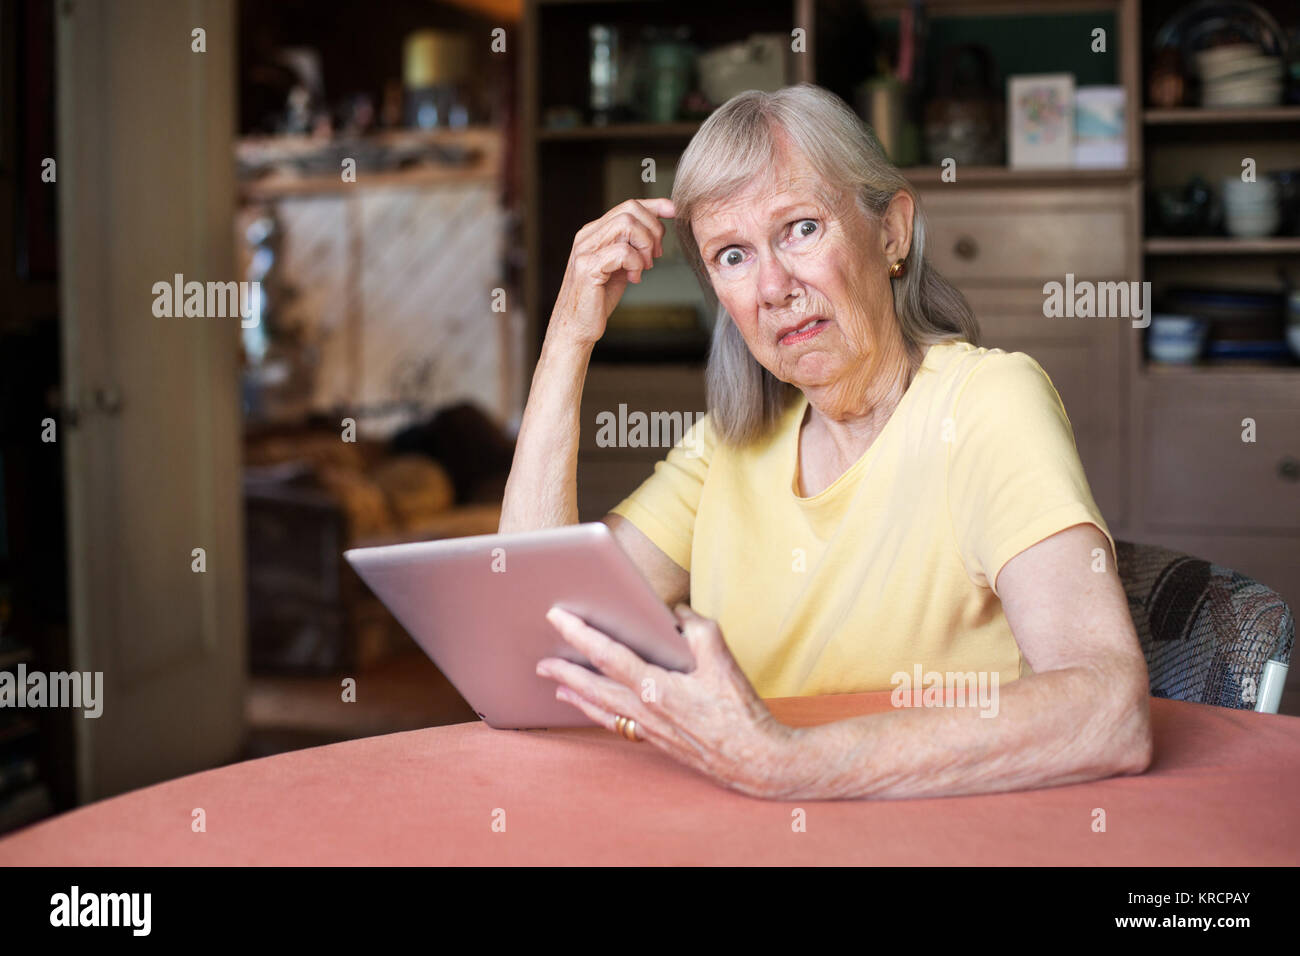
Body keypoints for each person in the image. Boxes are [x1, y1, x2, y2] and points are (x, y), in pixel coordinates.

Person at [499, 84, 1152, 800]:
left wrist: (789, 762)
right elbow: (534, 646)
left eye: (801, 228)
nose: (775, 286)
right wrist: (568, 336)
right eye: (733, 255)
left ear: (891, 232)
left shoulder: (987, 405)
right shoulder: (727, 445)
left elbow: (1108, 708)